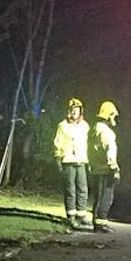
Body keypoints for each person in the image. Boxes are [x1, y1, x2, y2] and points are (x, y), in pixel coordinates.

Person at [53, 97, 91, 230]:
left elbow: (87, 144)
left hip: (81, 161)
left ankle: (82, 215)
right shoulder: (62, 126)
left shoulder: (85, 126)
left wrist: (89, 160)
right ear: (69, 111)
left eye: (78, 110)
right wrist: (58, 159)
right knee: (70, 190)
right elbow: (58, 143)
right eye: (73, 110)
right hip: (68, 161)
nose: (75, 112)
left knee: (83, 189)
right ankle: (71, 216)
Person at [89, 101, 120, 233]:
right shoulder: (107, 132)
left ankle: (97, 223)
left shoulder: (95, 129)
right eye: (113, 116)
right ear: (109, 115)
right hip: (106, 169)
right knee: (106, 197)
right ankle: (101, 223)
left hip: (96, 169)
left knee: (98, 196)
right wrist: (115, 168)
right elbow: (110, 152)